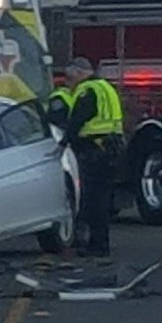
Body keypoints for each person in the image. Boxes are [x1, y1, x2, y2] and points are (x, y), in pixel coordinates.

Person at [59, 57, 124, 257]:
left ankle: (97, 245)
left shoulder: (87, 90)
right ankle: (101, 243)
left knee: (93, 200)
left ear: (79, 73)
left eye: (72, 77)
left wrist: (64, 142)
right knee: (102, 199)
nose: (71, 82)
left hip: (93, 149)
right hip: (111, 147)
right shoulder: (106, 87)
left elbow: (78, 118)